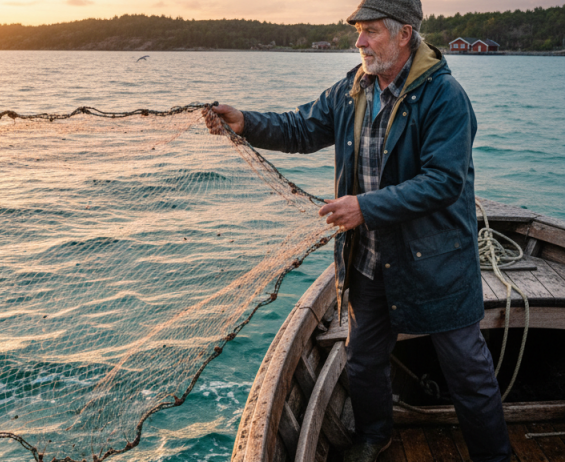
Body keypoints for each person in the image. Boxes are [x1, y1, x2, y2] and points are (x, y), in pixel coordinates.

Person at [204, 1, 512, 461]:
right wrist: (246, 123)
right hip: (367, 258)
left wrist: (365, 207)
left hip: (436, 263)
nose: (360, 42)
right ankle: (373, 436)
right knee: (364, 361)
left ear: (405, 34)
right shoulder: (353, 88)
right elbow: (301, 128)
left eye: (371, 31)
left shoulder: (445, 97)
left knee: (468, 372)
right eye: (358, 31)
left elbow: (444, 182)